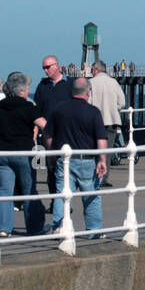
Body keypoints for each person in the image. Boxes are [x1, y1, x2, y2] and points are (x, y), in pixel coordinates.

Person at [0, 72, 46, 237]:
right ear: (21, 90)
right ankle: (34, 227)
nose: (28, 90)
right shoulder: (28, 107)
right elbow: (43, 125)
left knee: (5, 191)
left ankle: (4, 228)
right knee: (29, 190)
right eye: (27, 88)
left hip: (1, 153)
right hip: (23, 153)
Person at [46, 78, 108, 238]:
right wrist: (102, 160)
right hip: (87, 159)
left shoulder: (59, 109)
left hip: (64, 159)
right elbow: (101, 138)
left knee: (62, 195)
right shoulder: (93, 112)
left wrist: (52, 154)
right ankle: (94, 230)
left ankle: (60, 226)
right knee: (91, 196)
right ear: (88, 92)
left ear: (71, 92)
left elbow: (49, 136)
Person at [34, 56, 74, 209]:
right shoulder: (43, 85)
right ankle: (55, 201)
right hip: (48, 133)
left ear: (57, 66)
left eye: (48, 67)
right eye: (44, 67)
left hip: (67, 133)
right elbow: (37, 109)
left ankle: (65, 201)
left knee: (65, 167)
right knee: (51, 169)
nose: (45, 70)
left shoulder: (69, 85)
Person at [89, 61, 127, 168]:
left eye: (92, 70)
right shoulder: (113, 82)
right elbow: (122, 103)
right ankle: (105, 178)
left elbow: (88, 103)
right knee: (108, 151)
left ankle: (96, 178)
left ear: (96, 70)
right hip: (112, 121)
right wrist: (113, 108)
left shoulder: (91, 82)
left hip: (95, 122)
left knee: (96, 150)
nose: (91, 72)